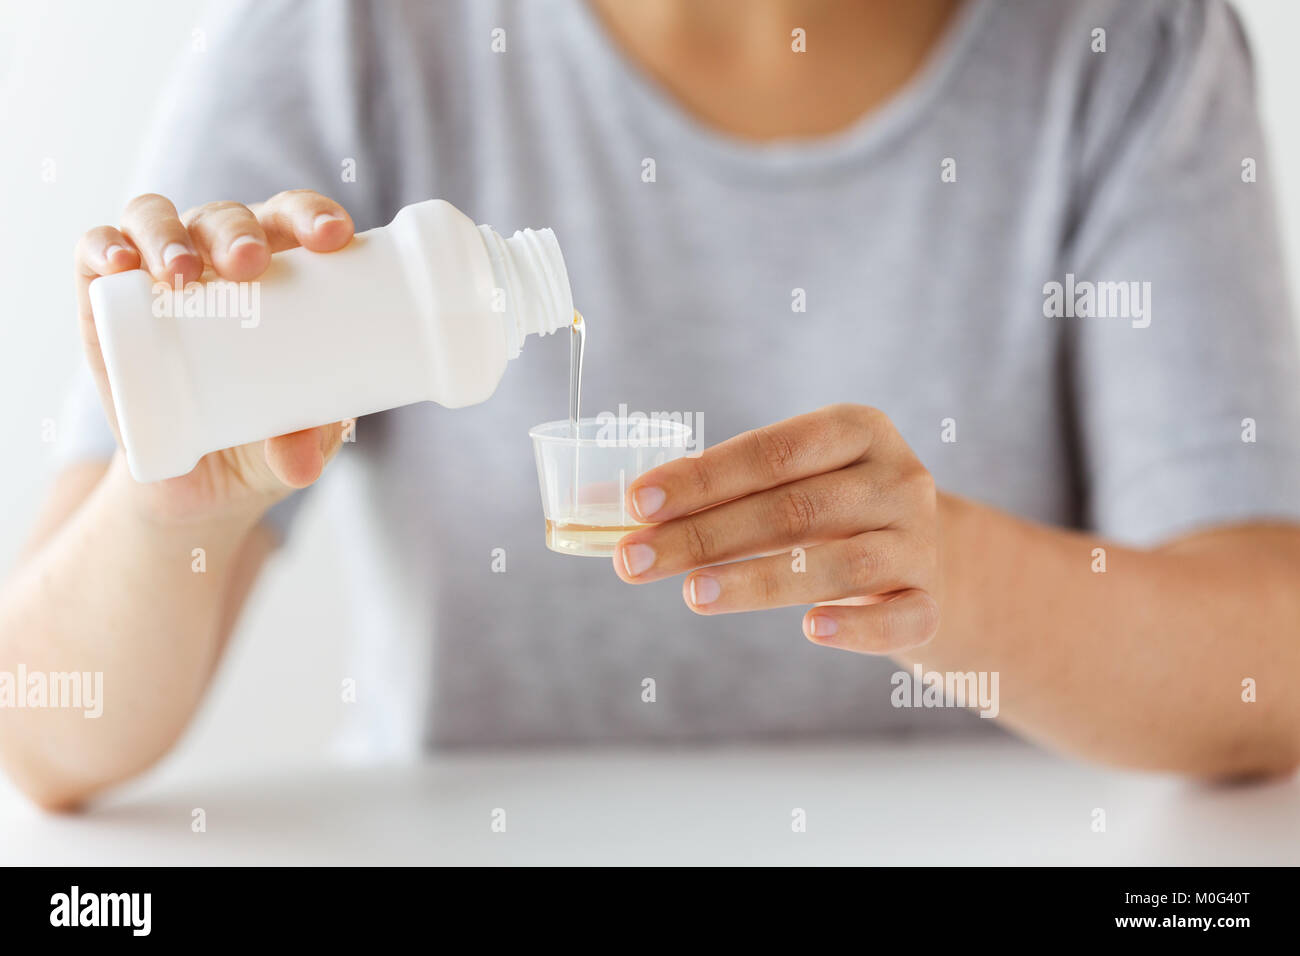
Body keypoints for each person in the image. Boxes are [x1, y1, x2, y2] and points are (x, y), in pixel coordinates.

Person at [3, 0, 1298, 810]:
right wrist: (170, 505)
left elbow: (1266, 671)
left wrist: (947, 577)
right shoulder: (349, 37)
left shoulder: (1128, 44)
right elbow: (41, 733)